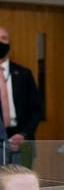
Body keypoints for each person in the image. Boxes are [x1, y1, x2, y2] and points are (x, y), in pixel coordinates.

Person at [0, 26, 42, 168]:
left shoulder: (24, 73)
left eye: (4, 38)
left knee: (22, 183)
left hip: (21, 139)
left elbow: (36, 110)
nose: (0, 42)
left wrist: (24, 134)